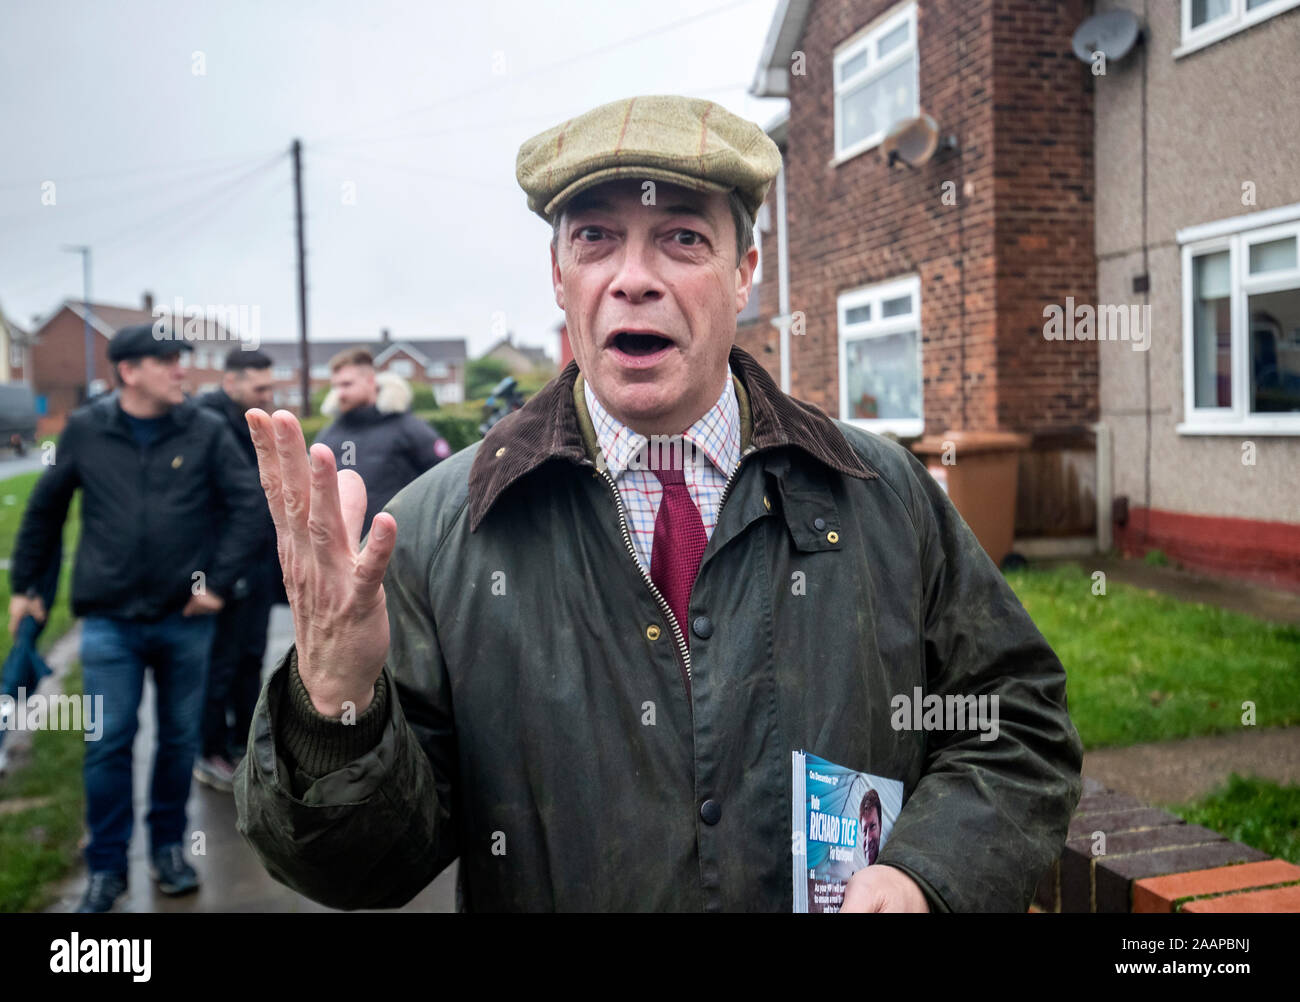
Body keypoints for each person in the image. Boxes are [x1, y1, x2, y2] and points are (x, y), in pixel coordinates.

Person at [234, 95, 1083, 912]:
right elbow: (360, 868)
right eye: (596, 239)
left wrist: (926, 871)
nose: (632, 279)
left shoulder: (882, 492)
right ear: (559, 277)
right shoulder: (436, 531)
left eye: (681, 238)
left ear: (744, 273)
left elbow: (1017, 722)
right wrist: (335, 702)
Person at [8, 323, 265, 912]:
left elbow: (247, 506)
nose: (181, 370)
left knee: (176, 743)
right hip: (109, 623)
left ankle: (169, 850)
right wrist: (25, 586)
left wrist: (217, 585)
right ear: (129, 370)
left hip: (186, 620)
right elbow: (45, 511)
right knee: (108, 743)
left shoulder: (202, 431)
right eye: (167, 361)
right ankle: (105, 870)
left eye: (181, 359)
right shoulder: (84, 430)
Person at [193, 348, 279, 792]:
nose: (268, 395)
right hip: (222, 569)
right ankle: (208, 752)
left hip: (257, 564)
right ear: (231, 383)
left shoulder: (254, 423)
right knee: (218, 665)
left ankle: (243, 743)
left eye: (270, 387)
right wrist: (215, 577)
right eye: (259, 388)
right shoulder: (206, 425)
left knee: (250, 658)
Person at [312, 348, 450, 536]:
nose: (339, 393)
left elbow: (443, 480)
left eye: (347, 384)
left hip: (399, 543)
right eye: (335, 386)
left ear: (370, 381)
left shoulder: (409, 429)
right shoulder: (329, 434)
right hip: (343, 546)